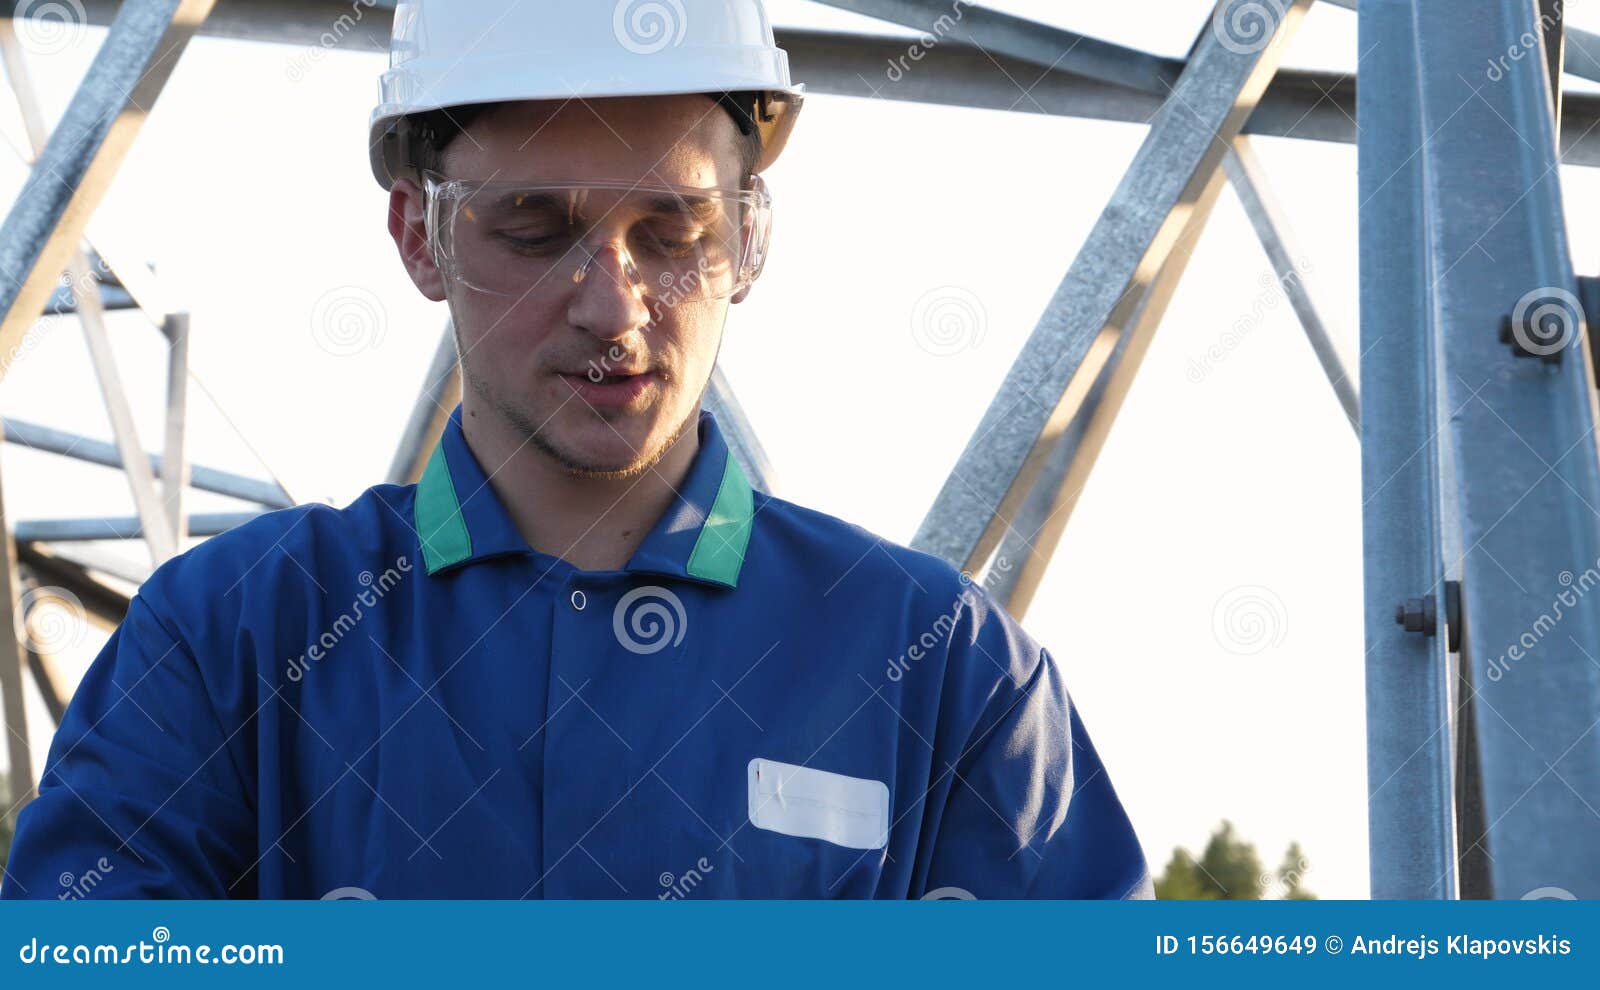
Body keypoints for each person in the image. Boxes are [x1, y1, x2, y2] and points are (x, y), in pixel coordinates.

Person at [2, 0, 1149, 899]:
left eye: (675, 231)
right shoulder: (230, 642)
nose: (612, 306)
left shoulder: (950, 676)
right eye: (535, 228)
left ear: (750, 238)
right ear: (418, 236)